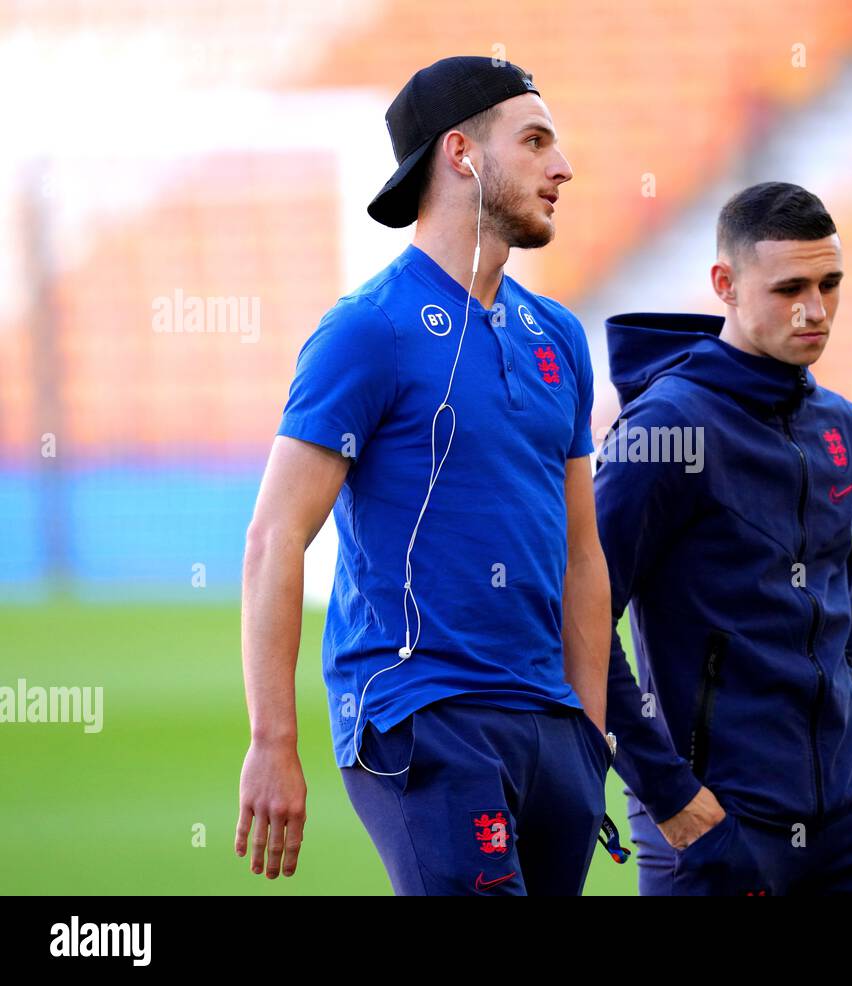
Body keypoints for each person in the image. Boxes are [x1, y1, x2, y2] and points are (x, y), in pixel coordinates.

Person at [235, 56, 618, 895]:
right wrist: (273, 742)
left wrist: (589, 734)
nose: (564, 167)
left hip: (550, 727)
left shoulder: (558, 336)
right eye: (536, 141)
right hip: (422, 713)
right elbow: (276, 536)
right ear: (462, 153)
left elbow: (583, 555)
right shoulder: (367, 332)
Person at [594, 181, 852, 895]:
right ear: (726, 285)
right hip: (719, 829)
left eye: (831, 283)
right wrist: (672, 798)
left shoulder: (844, 427)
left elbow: (845, 614)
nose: (815, 309)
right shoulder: (665, 431)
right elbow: (578, 616)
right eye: (789, 288)